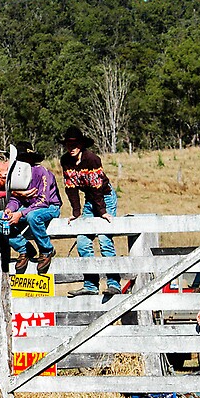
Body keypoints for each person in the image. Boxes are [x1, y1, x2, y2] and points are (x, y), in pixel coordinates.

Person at [59, 127, 121, 297]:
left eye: (75, 144)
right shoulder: (66, 161)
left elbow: (97, 187)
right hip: (90, 199)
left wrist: (102, 211)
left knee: (104, 239)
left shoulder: (92, 159)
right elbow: (70, 187)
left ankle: (114, 283)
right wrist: (76, 211)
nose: (71, 147)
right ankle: (90, 284)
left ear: (81, 145)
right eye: (68, 144)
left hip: (104, 197)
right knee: (83, 241)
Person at [0, 141, 62, 274]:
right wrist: (10, 209)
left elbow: (43, 201)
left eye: (23, 158)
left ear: (30, 159)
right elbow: (16, 198)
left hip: (50, 207)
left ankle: (46, 250)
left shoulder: (42, 172)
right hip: (27, 207)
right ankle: (24, 249)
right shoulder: (16, 175)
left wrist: (20, 214)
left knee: (33, 216)